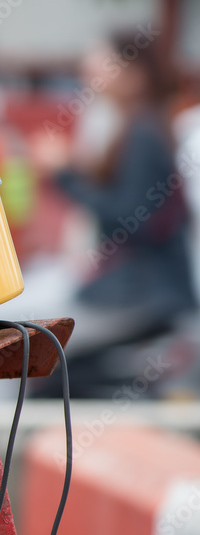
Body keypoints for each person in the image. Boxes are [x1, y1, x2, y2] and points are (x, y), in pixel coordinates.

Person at [29, 29, 196, 356]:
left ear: (134, 76)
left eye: (103, 61)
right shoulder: (134, 124)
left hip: (145, 295)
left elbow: (129, 220)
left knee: (40, 348)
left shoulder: (143, 133)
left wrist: (64, 175)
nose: (90, 68)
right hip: (135, 288)